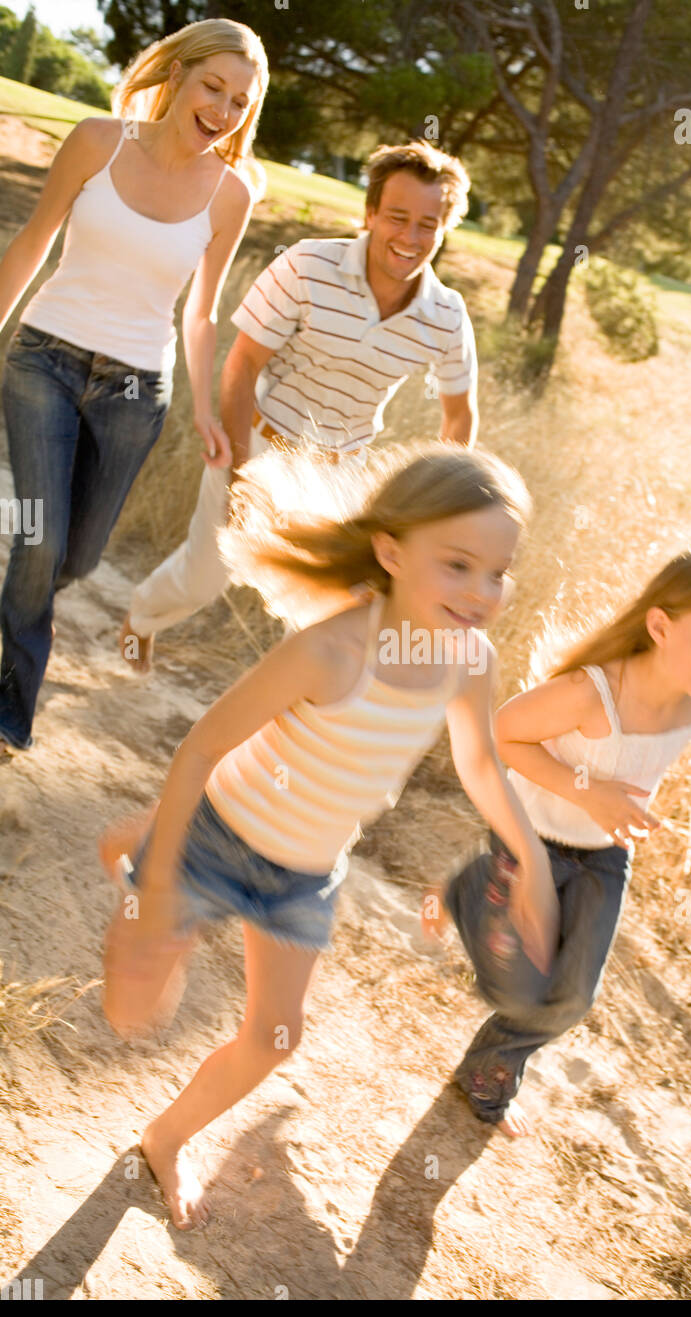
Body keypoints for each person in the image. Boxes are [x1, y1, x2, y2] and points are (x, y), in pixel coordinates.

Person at [99, 443, 558, 1228]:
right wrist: (166, 878)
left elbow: (481, 763)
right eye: (457, 565)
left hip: (306, 871)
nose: (482, 592)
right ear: (391, 551)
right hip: (220, 834)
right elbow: (201, 748)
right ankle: (150, 848)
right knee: (130, 1008)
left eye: (498, 572)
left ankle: (164, 1138)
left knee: (275, 1037)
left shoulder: (467, 660)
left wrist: (533, 858)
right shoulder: (331, 650)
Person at [427, 549, 691, 1137]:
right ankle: (470, 889)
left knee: (571, 997)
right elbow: (501, 735)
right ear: (659, 626)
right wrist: (586, 789)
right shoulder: (594, 693)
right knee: (521, 986)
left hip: (605, 856)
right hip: (527, 841)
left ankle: (488, 1073)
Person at [0, 18, 269, 753]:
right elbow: (33, 241)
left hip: (133, 392)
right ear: (177, 75)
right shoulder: (97, 140)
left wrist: (208, 411)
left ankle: (17, 604)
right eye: (212, 86)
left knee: (75, 558)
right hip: (43, 361)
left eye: (239, 101)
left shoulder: (230, 195)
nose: (222, 109)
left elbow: (203, 313)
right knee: (39, 538)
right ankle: (9, 710)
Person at [121, 139, 479, 673]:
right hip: (259, 444)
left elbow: (461, 416)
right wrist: (242, 472)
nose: (410, 237)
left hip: (344, 474)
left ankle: (292, 720)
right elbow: (242, 365)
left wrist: (435, 510)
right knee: (206, 576)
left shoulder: (447, 316)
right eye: (397, 217)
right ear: (370, 213)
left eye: (427, 224)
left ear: (444, 229)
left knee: (324, 608)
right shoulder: (309, 263)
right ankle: (139, 623)